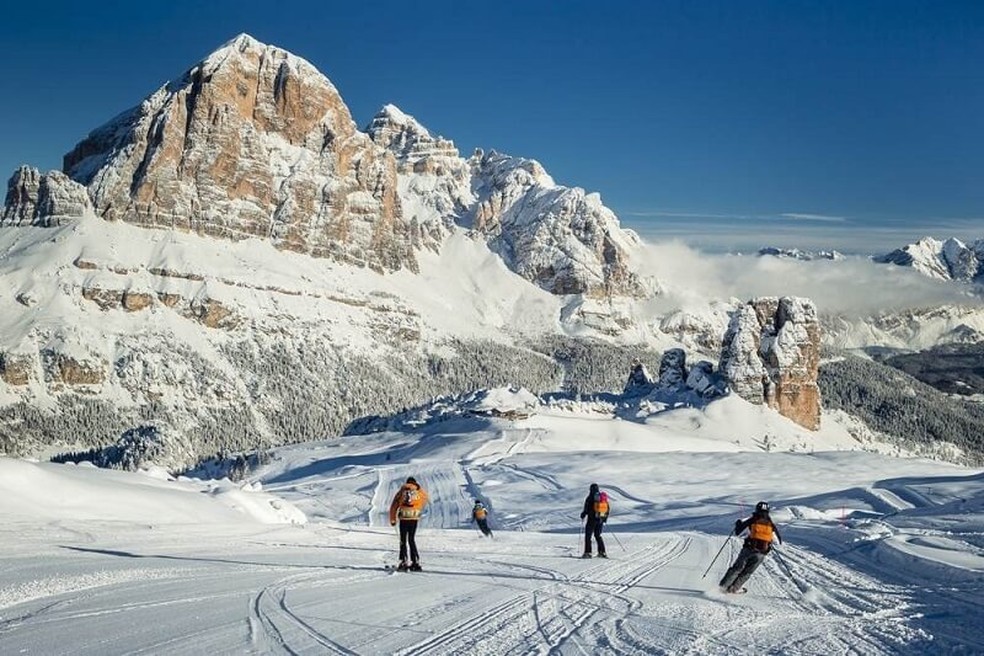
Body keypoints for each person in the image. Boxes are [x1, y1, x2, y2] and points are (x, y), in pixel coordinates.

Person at [719, 501, 782, 593]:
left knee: (737, 569)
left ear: (757, 509)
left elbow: (738, 533)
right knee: (747, 572)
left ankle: (722, 588)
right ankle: (733, 589)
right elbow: (777, 541)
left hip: (748, 549)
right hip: (761, 553)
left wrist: (738, 524)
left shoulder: (752, 520)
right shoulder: (771, 524)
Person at [389, 476, 429, 571]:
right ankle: (415, 561)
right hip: (414, 518)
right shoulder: (419, 491)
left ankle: (404, 561)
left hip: (404, 518)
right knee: (411, 539)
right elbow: (426, 498)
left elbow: (394, 506)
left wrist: (393, 519)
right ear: (414, 483)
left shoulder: (402, 491)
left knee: (403, 540)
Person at [579, 483, 610, 558]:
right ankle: (602, 552)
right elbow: (608, 509)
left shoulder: (590, 497)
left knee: (588, 536)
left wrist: (583, 514)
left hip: (591, 519)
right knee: (598, 535)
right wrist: (604, 518)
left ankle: (588, 552)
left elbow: (587, 508)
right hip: (600, 519)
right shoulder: (602, 498)